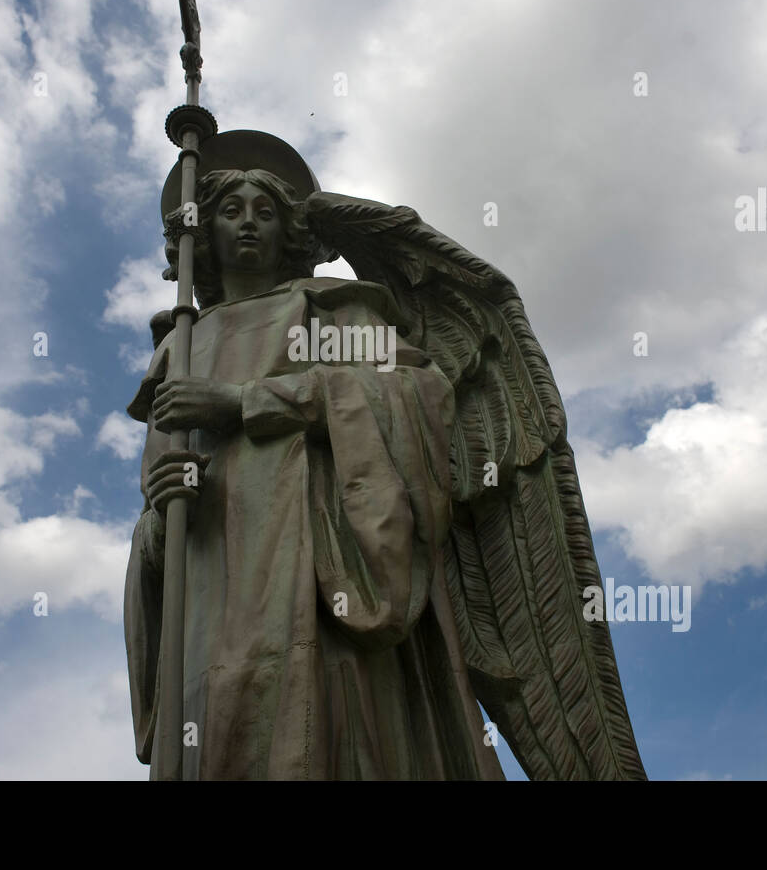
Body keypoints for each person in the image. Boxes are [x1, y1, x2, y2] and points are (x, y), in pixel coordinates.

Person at [124, 163, 505, 780]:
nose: (248, 222)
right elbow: (157, 493)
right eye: (230, 210)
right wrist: (162, 522)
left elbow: (410, 393)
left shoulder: (329, 307)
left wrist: (246, 402)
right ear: (203, 234)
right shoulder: (181, 347)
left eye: (266, 211)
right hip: (212, 579)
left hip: (321, 557)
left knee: (322, 724)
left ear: (290, 233)